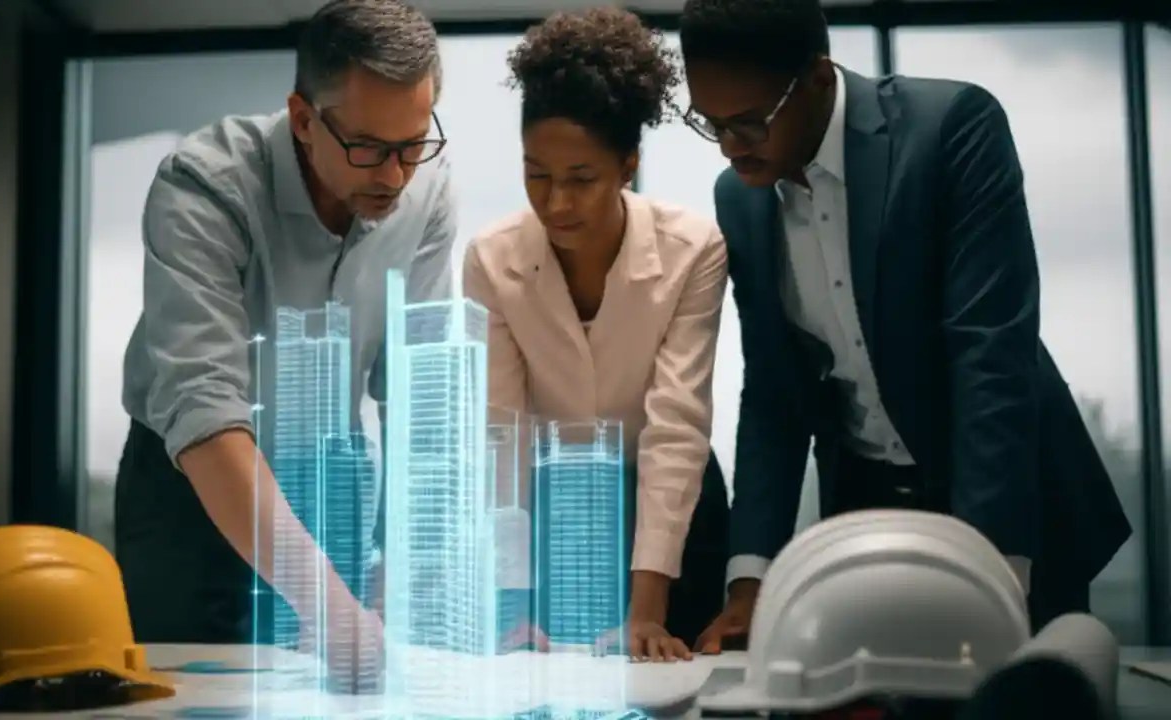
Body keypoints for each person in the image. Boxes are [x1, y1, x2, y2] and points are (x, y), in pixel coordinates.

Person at [678, 0, 1132, 651]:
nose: (728, 149)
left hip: (1009, 502)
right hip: (867, 514)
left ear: (816, 78)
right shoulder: (740, 198)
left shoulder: (951, 127)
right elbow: (775, 396)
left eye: (749, 123)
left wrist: (994, 575)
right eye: (710, 123)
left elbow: (989, 357)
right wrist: (751, 582)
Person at [112, 0, 456, 675]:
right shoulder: (204, 185)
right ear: (303, 118)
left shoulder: (428, 196)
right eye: (368, 148)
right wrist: (327, 602)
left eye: (412, 146)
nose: (394, 176)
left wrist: (402, 563)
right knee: (192, 690)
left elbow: (419, 395)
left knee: (349, 690)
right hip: (192, 482)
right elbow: (204, 407)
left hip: (331, 469)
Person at [463, 6, 730, 662]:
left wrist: (647, 612)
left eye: (581, 180)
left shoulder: (692, 248)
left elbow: (676, 428)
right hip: (550, 508)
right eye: (537, 175)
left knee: (664, 679)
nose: (555, 203)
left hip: (670, 507)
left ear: (628, 165)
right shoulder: (491, 259)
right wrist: (514, 603)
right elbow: (505, 436)